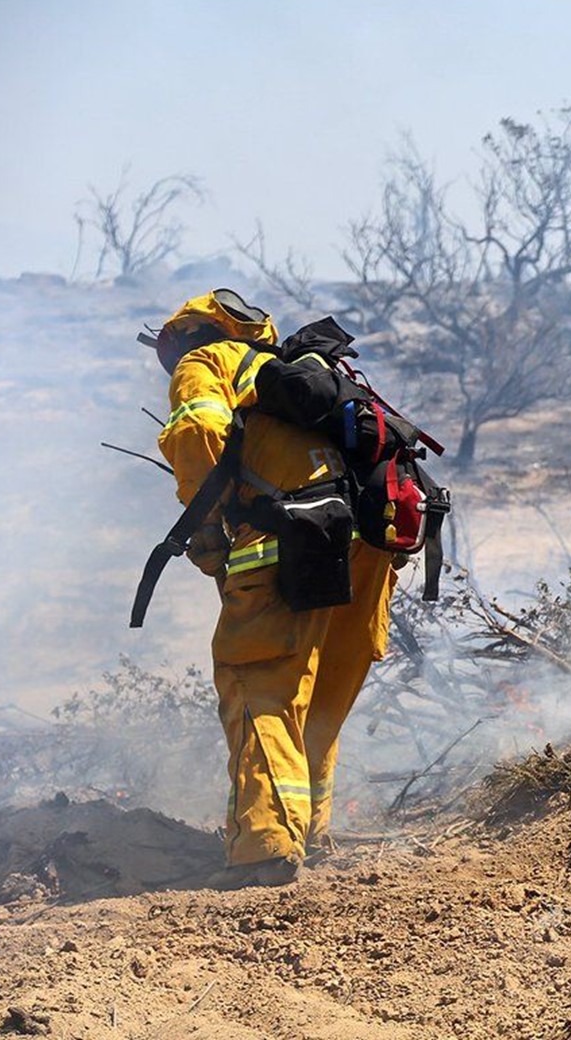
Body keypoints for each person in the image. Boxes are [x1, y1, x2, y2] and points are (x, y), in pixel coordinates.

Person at [151, 288, 398, 889]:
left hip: (291, 536)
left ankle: (263, 846)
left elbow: (197, 428)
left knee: (257, 679)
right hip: (367, 542)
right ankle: (305, 829)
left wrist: (207, 531)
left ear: (188, 334)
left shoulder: (206, 361)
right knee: (317, 694)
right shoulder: (286, 375)